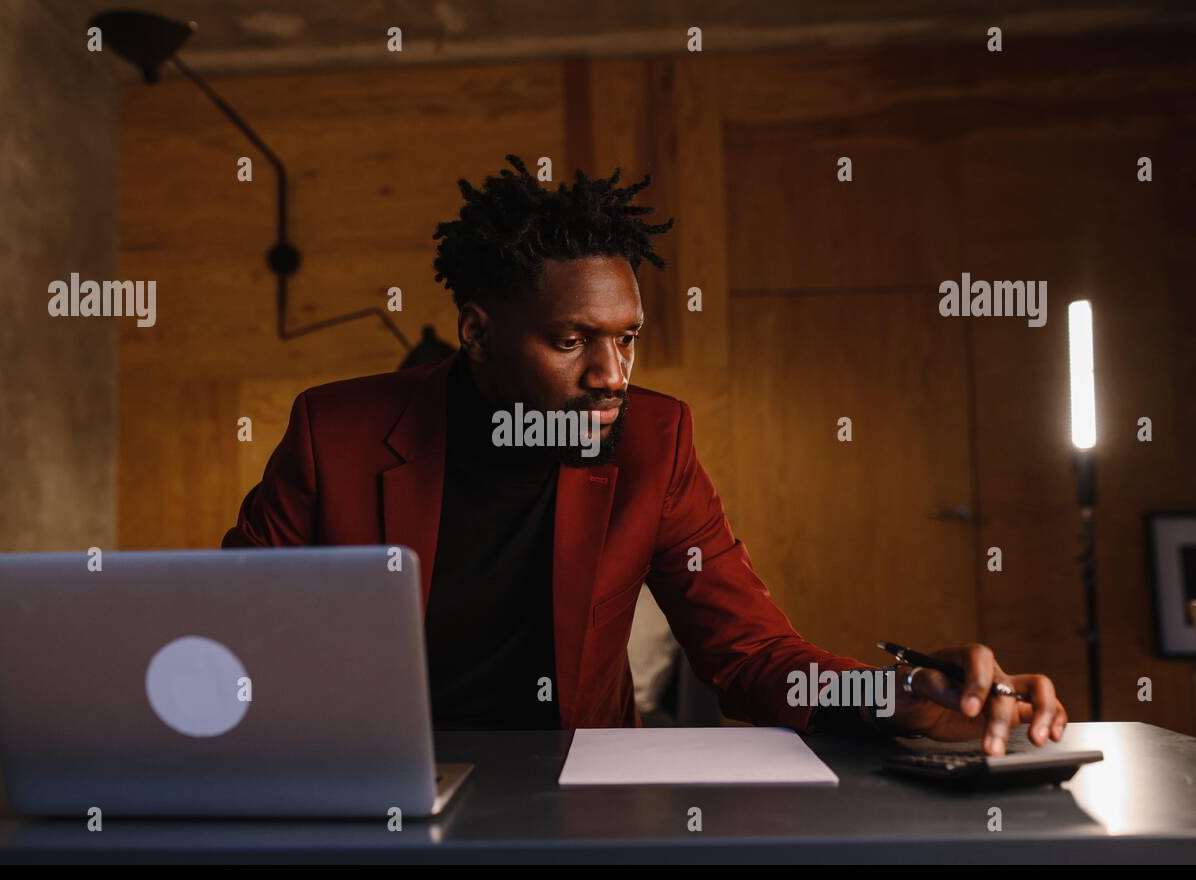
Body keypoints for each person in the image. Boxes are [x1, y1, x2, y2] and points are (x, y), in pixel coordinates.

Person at [223, 154, 1068, 752]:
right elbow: (231, 629)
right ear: (478, 332)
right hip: (379, 791)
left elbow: (748, 653)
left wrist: (899, 697)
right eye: (571, 341)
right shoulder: (334, 432)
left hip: (575, 794)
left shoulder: (655, 444)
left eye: (627, 339)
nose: (611, 375)